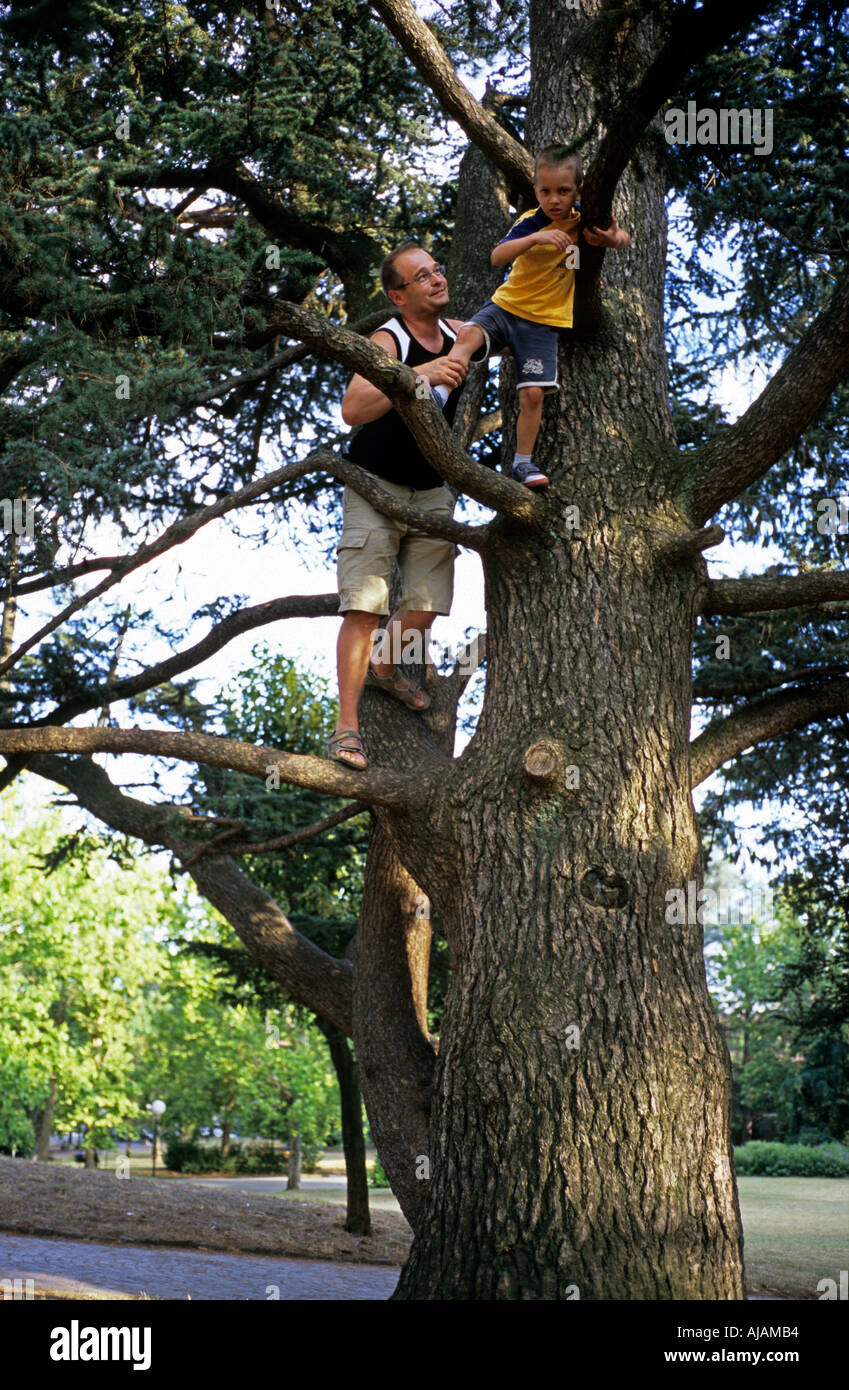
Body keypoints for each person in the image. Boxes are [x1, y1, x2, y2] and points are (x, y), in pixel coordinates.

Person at [327, 242, 482, 770]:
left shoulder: (460, 334)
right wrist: (423, 375)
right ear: (398, 295)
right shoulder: (388, 339)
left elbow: (501, 328)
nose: (437, 279)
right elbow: (353, 408)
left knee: (428, 603)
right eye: (422, 277)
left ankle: (387, 668)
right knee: (364, 605)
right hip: (376, 488)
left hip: (433, 490)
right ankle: (347, 731)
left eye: (438, 269)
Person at [445, 144, 631, 487]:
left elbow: (622, 237)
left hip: (543, 323)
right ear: (535, 191)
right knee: (468, 335)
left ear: (578, 191)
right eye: (545, 191)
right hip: (507, 307)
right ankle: (440, 388)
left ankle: (523, 463)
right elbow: (497, 256)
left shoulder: (582, 221)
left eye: (563, 191)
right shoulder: (530, 222)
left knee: (532, 395)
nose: (554, 199)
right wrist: (536, 238)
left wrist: (612, 238)